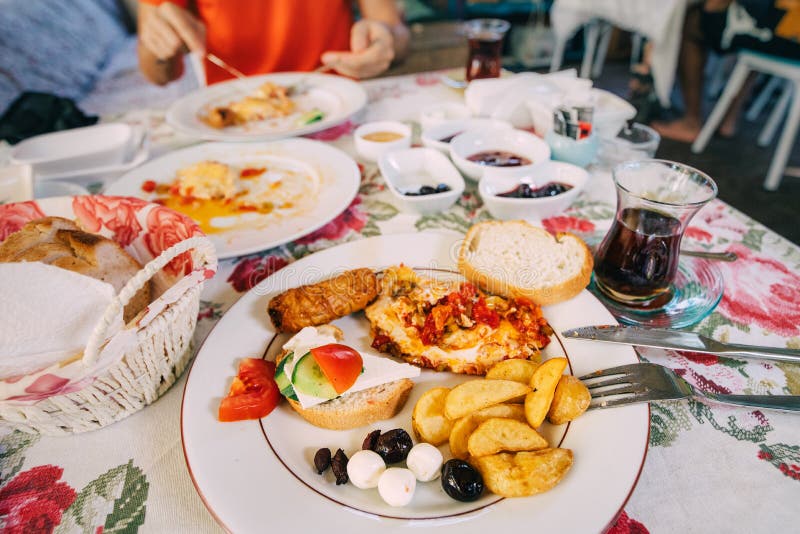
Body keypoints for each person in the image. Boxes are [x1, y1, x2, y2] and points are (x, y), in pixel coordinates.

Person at [137, 0, 410, 86]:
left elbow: (396, 34)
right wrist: (158, 45)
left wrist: (384, 42)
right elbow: (159, 74)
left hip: (335, 102)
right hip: (235, 117)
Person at [653, 0, 800, 143]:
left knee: (693, 22)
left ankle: (691, 122)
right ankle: (728, 118)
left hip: (788, 32)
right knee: (758, 23)